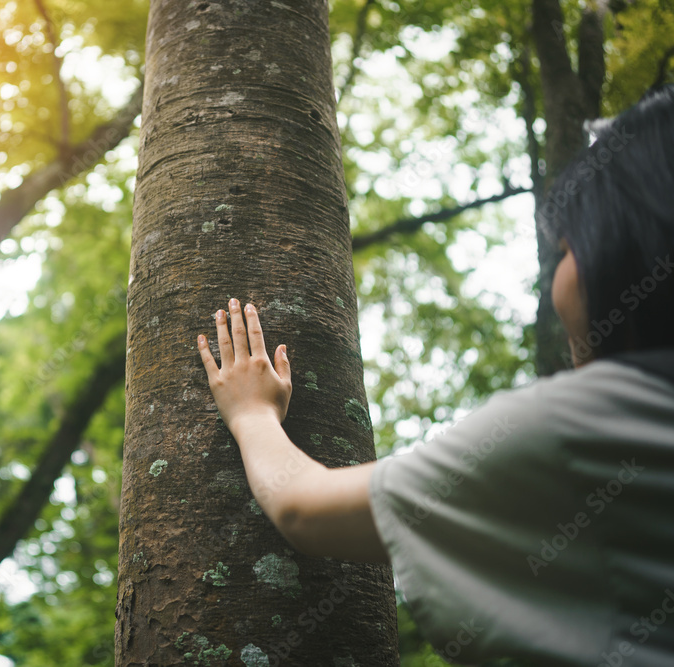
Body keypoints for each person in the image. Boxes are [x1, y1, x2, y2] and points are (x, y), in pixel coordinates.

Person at [195, 84, 674, 665]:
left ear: (627, 253)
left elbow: (304, 506)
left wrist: (251, 414)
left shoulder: (588, 426)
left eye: (569, 248)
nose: (559, 279)